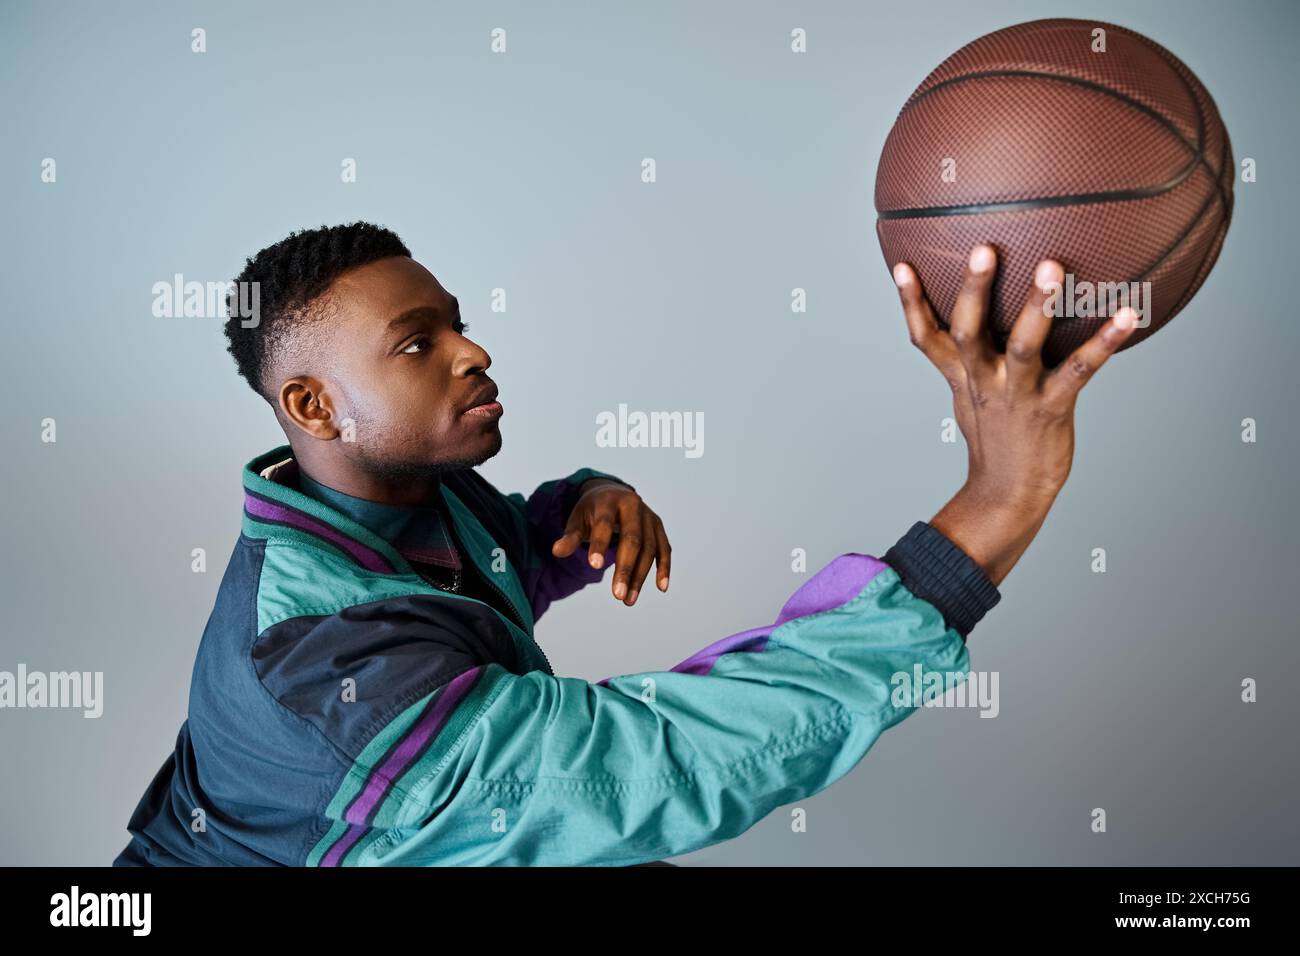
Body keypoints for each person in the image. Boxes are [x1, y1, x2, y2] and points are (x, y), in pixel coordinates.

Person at [112, 223, 1135, 866]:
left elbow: (482, 554)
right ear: (311, 403)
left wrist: (582, 503)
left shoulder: (396, 493)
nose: (474, 350)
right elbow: (662, 765)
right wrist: (997, 501)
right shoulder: (320, 665)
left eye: (459, 323)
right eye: (419, 342)